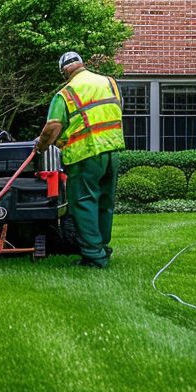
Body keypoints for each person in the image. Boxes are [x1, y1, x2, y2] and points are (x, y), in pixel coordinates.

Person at [33, 51, 124, 268]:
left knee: (84, 203)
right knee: (104, 202)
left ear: (64, 71)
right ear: (81, 64)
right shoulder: (109, 83)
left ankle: (94, 257)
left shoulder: (65, 94)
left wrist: (41, 146)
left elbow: (53, 127)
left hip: (85, 155)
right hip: (112, 151)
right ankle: (102, 247)